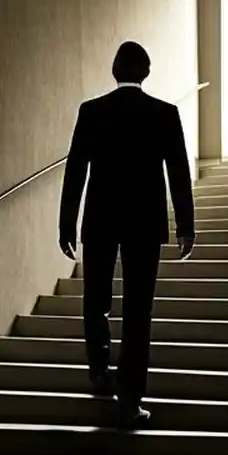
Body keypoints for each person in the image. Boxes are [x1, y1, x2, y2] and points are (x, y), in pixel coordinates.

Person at [58, 41, 196, 427]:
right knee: (138, 311)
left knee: (95, 298)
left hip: (100, 220)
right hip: (145, 224)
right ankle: (130, 399)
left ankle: (100, 370)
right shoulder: (165, 114)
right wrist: (185, 226)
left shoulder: (92, 111)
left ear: (114, 71)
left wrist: (66, 223)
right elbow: (179, 173)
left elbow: (75, 170)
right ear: (146, 72)